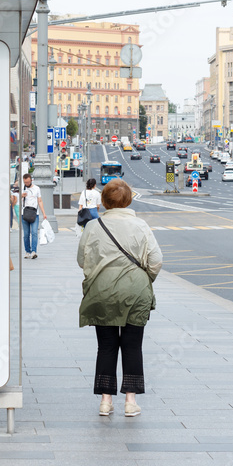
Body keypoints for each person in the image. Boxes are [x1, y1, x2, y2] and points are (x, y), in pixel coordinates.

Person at [77, 179, 162, 418]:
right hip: (136, 292)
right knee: (132, 345)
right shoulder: (141, 226)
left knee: (106, 346)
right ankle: (130, 402)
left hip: (102, 293)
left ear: (103, 201)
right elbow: (156, 261)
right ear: (128, 200)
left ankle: (105, 401)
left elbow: (81, 260)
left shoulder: (93, 226)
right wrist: (144, 279)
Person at [20, 173, 47, 259]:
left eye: (28, 182)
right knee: (26, 234)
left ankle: (34, 251)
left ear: (31, 180)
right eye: (25, 182)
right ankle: (27, 251)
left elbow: (40, 201)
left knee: (34, 233)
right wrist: (21, 196)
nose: (27, 184)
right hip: (24, 213)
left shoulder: (37, 189)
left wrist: (44, 213)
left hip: (35, 213)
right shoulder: (22, 188)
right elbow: (16, 200)